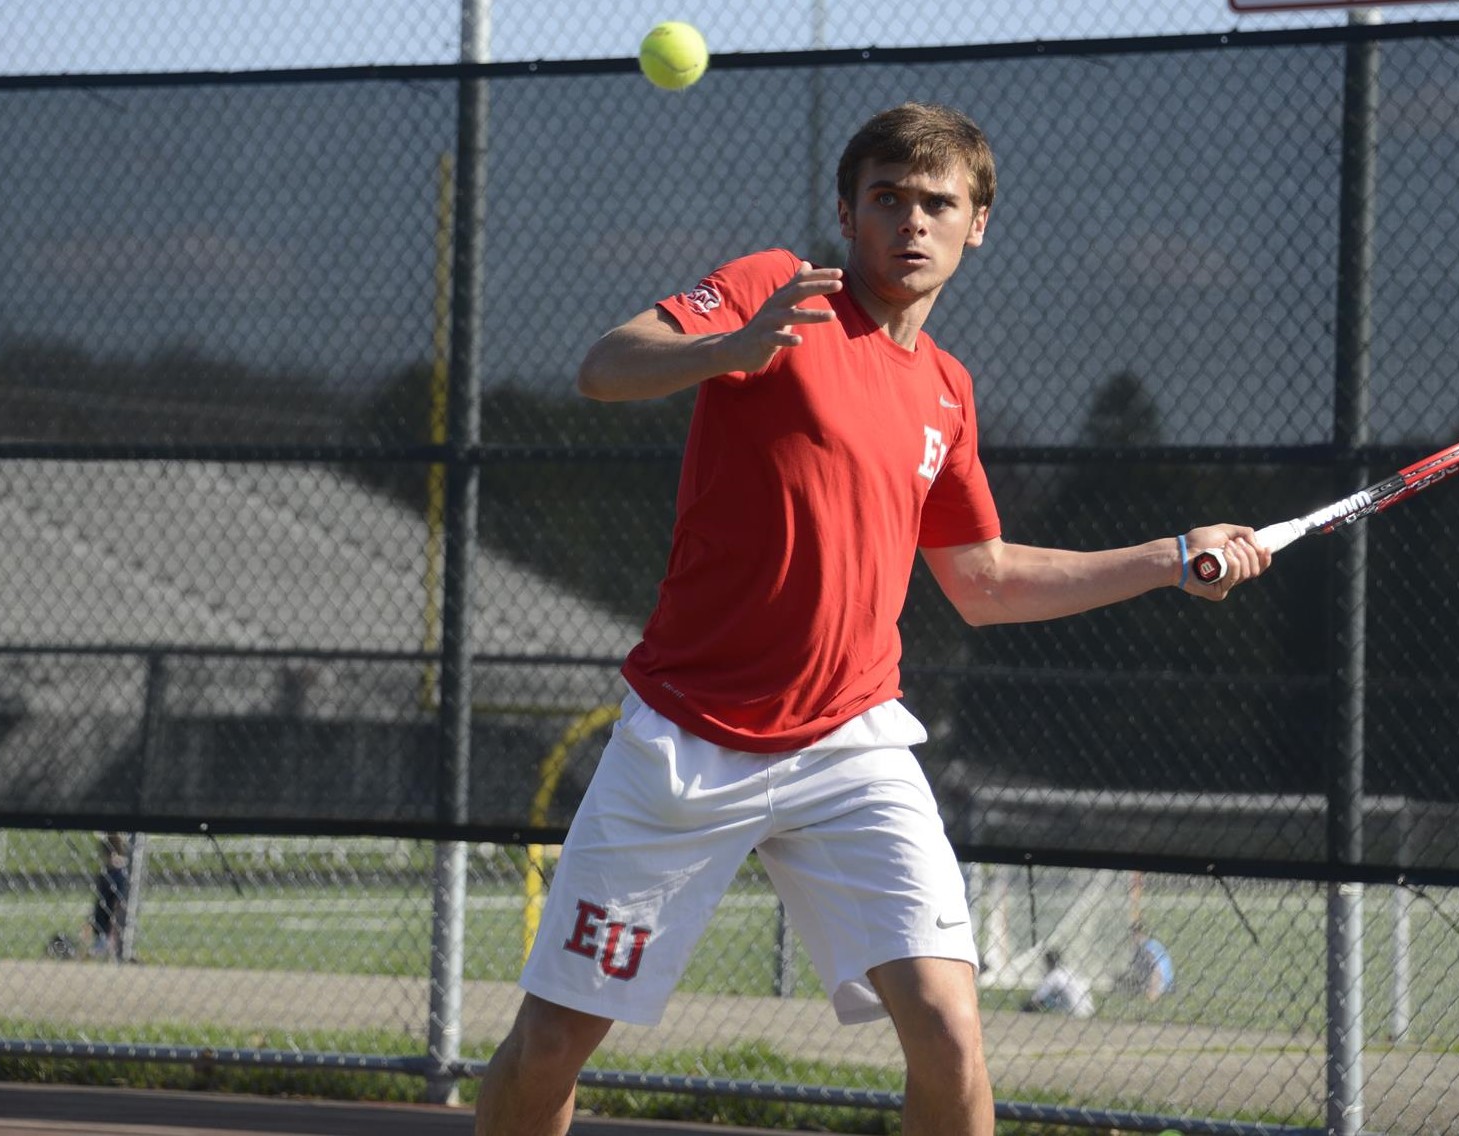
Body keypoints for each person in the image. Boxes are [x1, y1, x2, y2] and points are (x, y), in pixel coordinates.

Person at [472, 103, 1268, 1136]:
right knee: (549, 1046)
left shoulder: (945, 391)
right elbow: (605, 365)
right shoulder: (777, 290)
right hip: (686, 739)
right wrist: (730, 346)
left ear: (976, 223)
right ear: (847, 210)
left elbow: (981, 579)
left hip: (852, 741)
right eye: (887, 197)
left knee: (947, 1026)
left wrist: (1168, 557)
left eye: (937, 202)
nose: (911, 221)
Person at [89, 832, 129, 961]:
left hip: (110, 914)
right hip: (103, 915)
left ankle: (108, 944)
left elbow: (118, 899)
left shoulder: (118, 869)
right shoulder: (106, 869)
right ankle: (104, 943)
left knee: (111, 912)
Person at [1024, 949, 1096, 1018]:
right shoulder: (1068, 971)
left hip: (1074, 1014)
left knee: (1045, 998)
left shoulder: (1053, 976)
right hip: (1089, 1011)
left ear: (1048, 962)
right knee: (1053, 996)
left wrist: (1024, 1010)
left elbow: (1037, 999)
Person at [1122, 923, 1175, 1001]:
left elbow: (1152, 996)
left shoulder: (1148, 952)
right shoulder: (1149, 945)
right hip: (1158, 968)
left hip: (1158, 972)